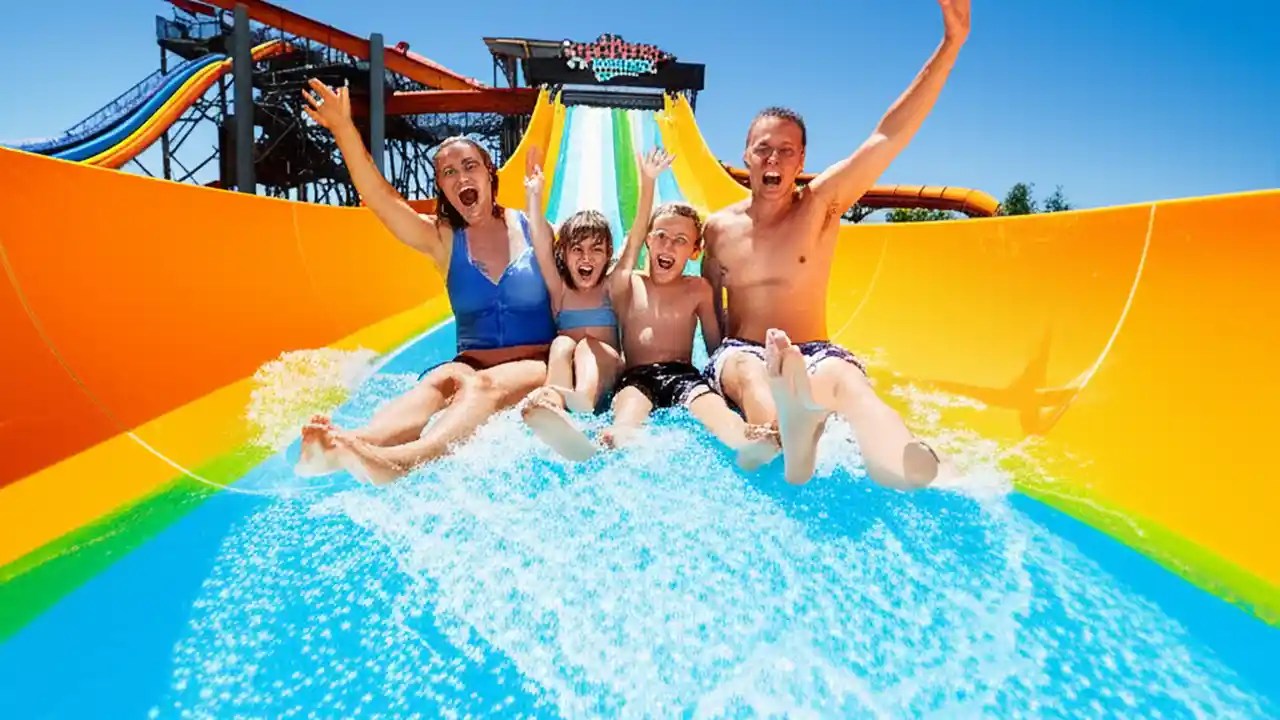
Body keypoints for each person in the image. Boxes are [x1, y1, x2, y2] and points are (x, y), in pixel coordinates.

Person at [699, 0, 971, 487]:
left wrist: (951, 45)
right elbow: (709, 307)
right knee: (751, 373)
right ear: (746, 155)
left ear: (802, 159)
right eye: (763, 149)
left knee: (851, 384)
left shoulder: (820, 206)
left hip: (815, 351)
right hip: (744, 352)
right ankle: (785, 434)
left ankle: (900, 461)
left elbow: (887, 136)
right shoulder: (718, 229)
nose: (773, 159)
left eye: (786, 150)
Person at [294, 77, 556, 484]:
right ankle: (348, 444)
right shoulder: (444, 240)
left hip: (536, 362)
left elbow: (580, 285)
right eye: (448, 172)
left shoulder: (535, 229)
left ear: (490, 174)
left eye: (469, 166)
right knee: (438, 382)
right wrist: (344, 129)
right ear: (442, 188)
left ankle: (408, 459)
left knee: (482, 386)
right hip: (469, 362)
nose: (460, 177)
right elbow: (382, 201)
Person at [523, 196, 780, 470]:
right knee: (626, 417)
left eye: (680, 240)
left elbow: (714, 348)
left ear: (695, 250)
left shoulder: (699, 290)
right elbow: (630, 242)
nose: (668, 245)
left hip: (684, 374)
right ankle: (598, 443)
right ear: (649, 240)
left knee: (715, 410)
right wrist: (647, 184)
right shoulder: (628, 283)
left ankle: (748, 440)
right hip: (636, 376)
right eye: (661, 236)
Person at [518, 147, 674, 436]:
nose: (586, 257)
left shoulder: (611, 287)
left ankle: (581, 406)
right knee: (561, 344)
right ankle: (553, 402)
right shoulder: (560, 290)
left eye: (596, 250)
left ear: (608, 254)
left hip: (608, 372)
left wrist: (649, 180)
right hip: (569, 374)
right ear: (563, 254)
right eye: (577, 249)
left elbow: (637, 236)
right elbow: (539, 241)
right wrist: (534, 197)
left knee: (586, 347)